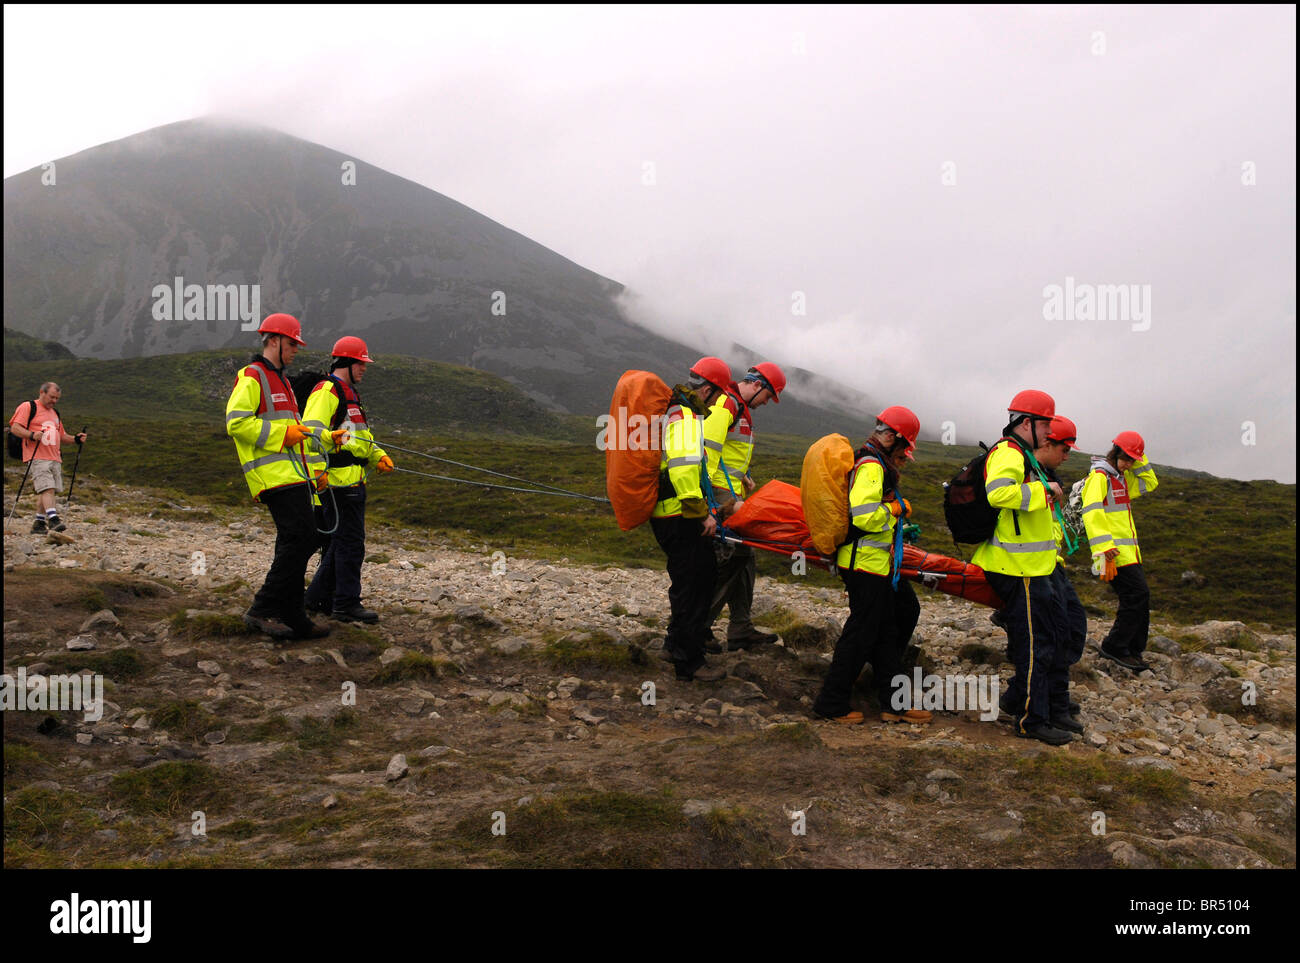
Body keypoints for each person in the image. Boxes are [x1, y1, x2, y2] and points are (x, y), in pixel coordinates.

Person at [813, 406, 931, 725]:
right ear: (891, 438)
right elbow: (864, 515)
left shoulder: (874, 461)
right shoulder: (872, 466)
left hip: (875, 565)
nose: (905, 456)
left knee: (889, 625)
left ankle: (893, 703)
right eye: (905, 449)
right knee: (861, 634)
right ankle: (831, 703)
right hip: (864, 565)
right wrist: (895, 509)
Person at [226, 313, 339, 641]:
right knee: (301, 539)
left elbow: (296, 432)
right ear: (273, 340)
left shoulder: (284, 381)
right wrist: (282, 435)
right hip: (271, 475)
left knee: (301, 539)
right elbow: (236, 423)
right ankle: (262, 609)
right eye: (291, 343)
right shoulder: (252, 375)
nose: (295, 350)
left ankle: (293, 614)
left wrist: (318, 463)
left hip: (293, 474)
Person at [972, 390, 1072, 745]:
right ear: (1026, 423)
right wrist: (1043, 494)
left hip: (1031, 565)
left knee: (1046, 638)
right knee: (1036, 644)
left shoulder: (1024, 455)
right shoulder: (1009, 454)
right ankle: (1032, 720)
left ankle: (1020, 702)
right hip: (1016, 567)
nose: (1049, 431)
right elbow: (997, 494)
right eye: (1045, 423)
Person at [302, 336, 394, 623]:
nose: (364, 368)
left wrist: (378, 455)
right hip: (337, 483)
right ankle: (346, 604)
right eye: (361, 363)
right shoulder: (328, 391)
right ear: (346, 362)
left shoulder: (349, 394)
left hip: (353, 481)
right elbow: (310, 434)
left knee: (341, 544)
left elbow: (360, 439)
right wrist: (319, 474)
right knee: (351, 544)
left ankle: (317, 599)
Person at [653, 357, 732, 682]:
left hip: (670, 512)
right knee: (695, 584)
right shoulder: (684, 416)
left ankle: (674, 645)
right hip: (680, 513)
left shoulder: (676, 411)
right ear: (709, 389)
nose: (716, 403)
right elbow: (684, 467)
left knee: (693, 579)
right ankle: (689, 663)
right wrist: (702, 514)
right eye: (716, 396)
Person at [703, 362, 786, 652]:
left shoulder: (739, 408)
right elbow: (707, 450)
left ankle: (740, 627)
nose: (766, 403)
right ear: (758, 385)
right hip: (720, 495)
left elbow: (727, 451)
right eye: (768, 397)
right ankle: (699, 627)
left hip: (731, 492)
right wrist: (714, 503)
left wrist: (744, 476)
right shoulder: (727, 404)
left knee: (745, 555)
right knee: (734, 557)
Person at [1025, 415, 1087, 734]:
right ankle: (1046, 707)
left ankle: (1054, 701)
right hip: (1030, 568)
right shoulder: (1029, 474)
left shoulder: (1044, 475)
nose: (1067, 456)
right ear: (1046, 443)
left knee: (1071, 628)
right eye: (1065, 449)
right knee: (1050, 638)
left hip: (1049, 564)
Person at [1083, 430, 1159, 671]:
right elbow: (1091, 511)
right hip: (1112, 553)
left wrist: (1140, 457)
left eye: (1132, 461)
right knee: (1135, 596)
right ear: (1114, 453)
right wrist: (1104, 547)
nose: (1128, 465)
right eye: (1125, 458)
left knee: (1139, 596)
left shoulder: (1122, 479)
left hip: (1128, 554)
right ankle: (1115, 647)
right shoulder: (1100, 477)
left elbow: (1150, 483)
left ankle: (1133, 650)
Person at [9, 383, 88, 533]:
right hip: (37, 455)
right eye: (52, 397)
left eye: (57, 398)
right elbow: (15, 427)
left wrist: (76, 439)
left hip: (54, 456)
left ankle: (39, 523)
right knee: (47, 487)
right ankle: (53, 520)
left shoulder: (54, 413)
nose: (54, 401)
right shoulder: (28, 407)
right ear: (42, 392)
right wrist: (32, 435)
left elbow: (61, 435)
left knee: (49, 490)